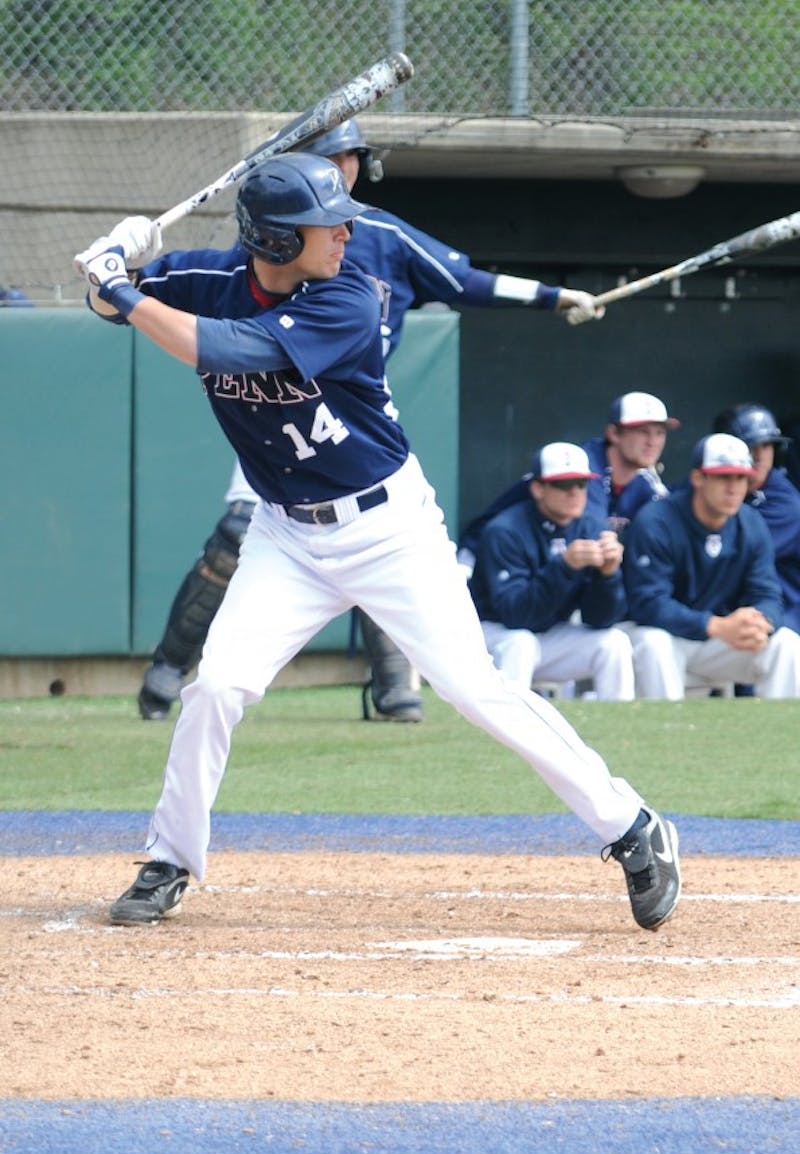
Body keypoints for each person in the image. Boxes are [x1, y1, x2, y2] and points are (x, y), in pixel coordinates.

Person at [74, 150, 680, 934]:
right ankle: (169, 857)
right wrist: (111, 266)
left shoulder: (350, 298)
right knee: (218, 684)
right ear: (276, 239)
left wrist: (122, 288)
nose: (346, 231)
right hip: (286, 534)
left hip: (387, 528)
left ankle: (632, 825)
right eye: (326, 224)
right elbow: (116, 305)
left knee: (474, 688)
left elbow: (225, 349)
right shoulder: (204, 280)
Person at [136, 119, 606, 725]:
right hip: (260, 408)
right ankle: (169, 670)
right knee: (236, 538)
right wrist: (119, 278)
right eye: (325, 156)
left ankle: (392, 684)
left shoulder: (376, 234)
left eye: (348, 157)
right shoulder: (272, 235)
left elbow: (462, 280)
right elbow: (228, 296)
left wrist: (550, 295)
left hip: (344, 420)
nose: (340, 175)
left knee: (367, 542)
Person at [623, 432, 800, 699]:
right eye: (723, 477)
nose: (733, 487)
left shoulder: (751, 523)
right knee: (653, 644)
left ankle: (780, 738)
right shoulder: (656, 521)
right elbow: (649, 604)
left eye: (740, 477)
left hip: (718, 639)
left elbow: (767, 594)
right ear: (698, 478)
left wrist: (761, 621)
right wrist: (716, 626)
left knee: (786, 644)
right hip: (664, 635)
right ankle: (662, 736)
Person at [469, 443, 634, 700]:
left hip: (548, 637)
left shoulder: (590, 528)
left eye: (581, 484)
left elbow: (599, 620)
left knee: (614, 642)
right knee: (520, 643)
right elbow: (515, 615)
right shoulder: (505, 530)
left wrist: (608, 576)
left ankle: (621, 732)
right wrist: (564, 567)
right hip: (492, 636)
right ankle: (511, 727)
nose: (575, 493)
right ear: (538, 488)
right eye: (563, 485)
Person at [458, 390, 678, 571]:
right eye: (642, 431)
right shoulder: (583, 467)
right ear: (614, 433)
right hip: (482, 560)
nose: (653, 442)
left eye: (660, 432)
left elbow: (672, 529)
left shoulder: (645, 479)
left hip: (542, 570)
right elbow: (593, 537)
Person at [712, 403, 800, 633]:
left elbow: (728, 554)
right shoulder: (706, 488)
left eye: (767, 445)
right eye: (751, 445)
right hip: (735, 608)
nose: (760, 455)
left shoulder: (785, 504)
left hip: (785, 611)